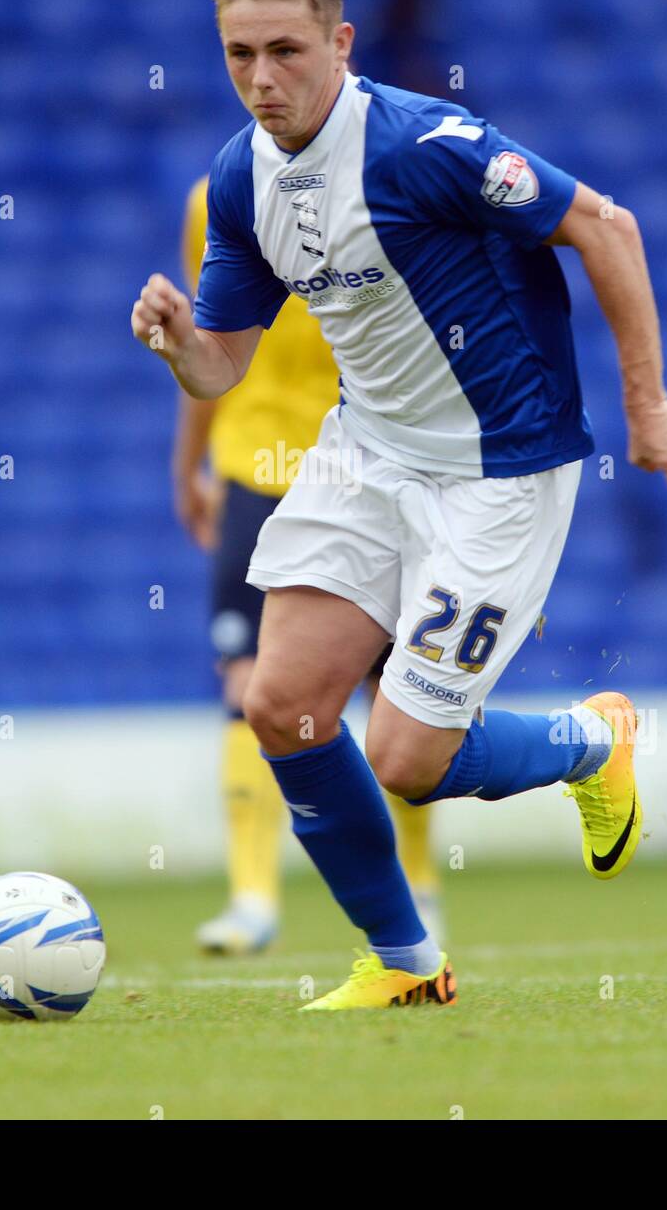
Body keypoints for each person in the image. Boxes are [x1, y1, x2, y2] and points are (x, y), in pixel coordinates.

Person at [133, 0, 667, 1010]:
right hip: (367, 455)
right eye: (238, 55)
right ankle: (404, 963)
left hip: (497, 469)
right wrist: (179, 345)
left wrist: (648, 404)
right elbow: (221, 365)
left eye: (285, 50)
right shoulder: (239, 176)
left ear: (340, 43)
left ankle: (593, 740)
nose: (262, 79)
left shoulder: (423, 144)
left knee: (407, 755)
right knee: (282, 706)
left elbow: (606, 225)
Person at [174, 175, 443, 955]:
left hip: (360, 465)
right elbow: (210, 335)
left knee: (396, 684)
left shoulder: (391, 185)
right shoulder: (214, 199)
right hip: (254, 462)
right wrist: (189, 466)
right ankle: (252, 898)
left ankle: (418, 882)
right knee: (248, 677)